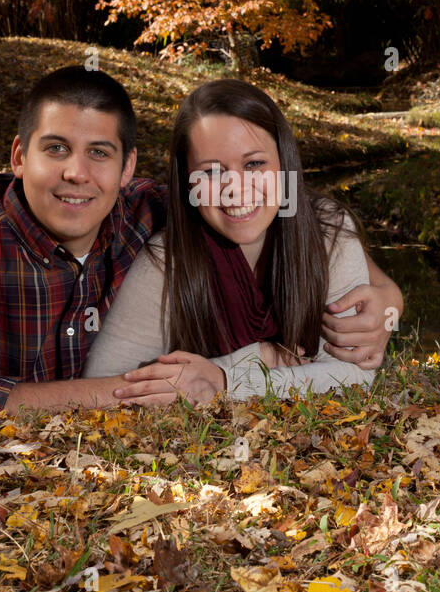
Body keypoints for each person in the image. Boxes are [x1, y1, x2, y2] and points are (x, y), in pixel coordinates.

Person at [0, 66, 401, 420]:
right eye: (55, 149)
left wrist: (387, 296)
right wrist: (231, 373)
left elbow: (296, 220)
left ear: (129, 167)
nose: (77, 174)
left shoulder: (156, 208)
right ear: (17, 157)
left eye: (99, 153)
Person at [83, 79, 384, 405]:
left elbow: (356, 373)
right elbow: (105, 383)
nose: (236, 188)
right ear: (187, 181)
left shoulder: (329, 231)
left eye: (254, 164)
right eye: (211, 172)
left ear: (284, 162)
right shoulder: (165, 260)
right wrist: (257, 359)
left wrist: (227, 379)